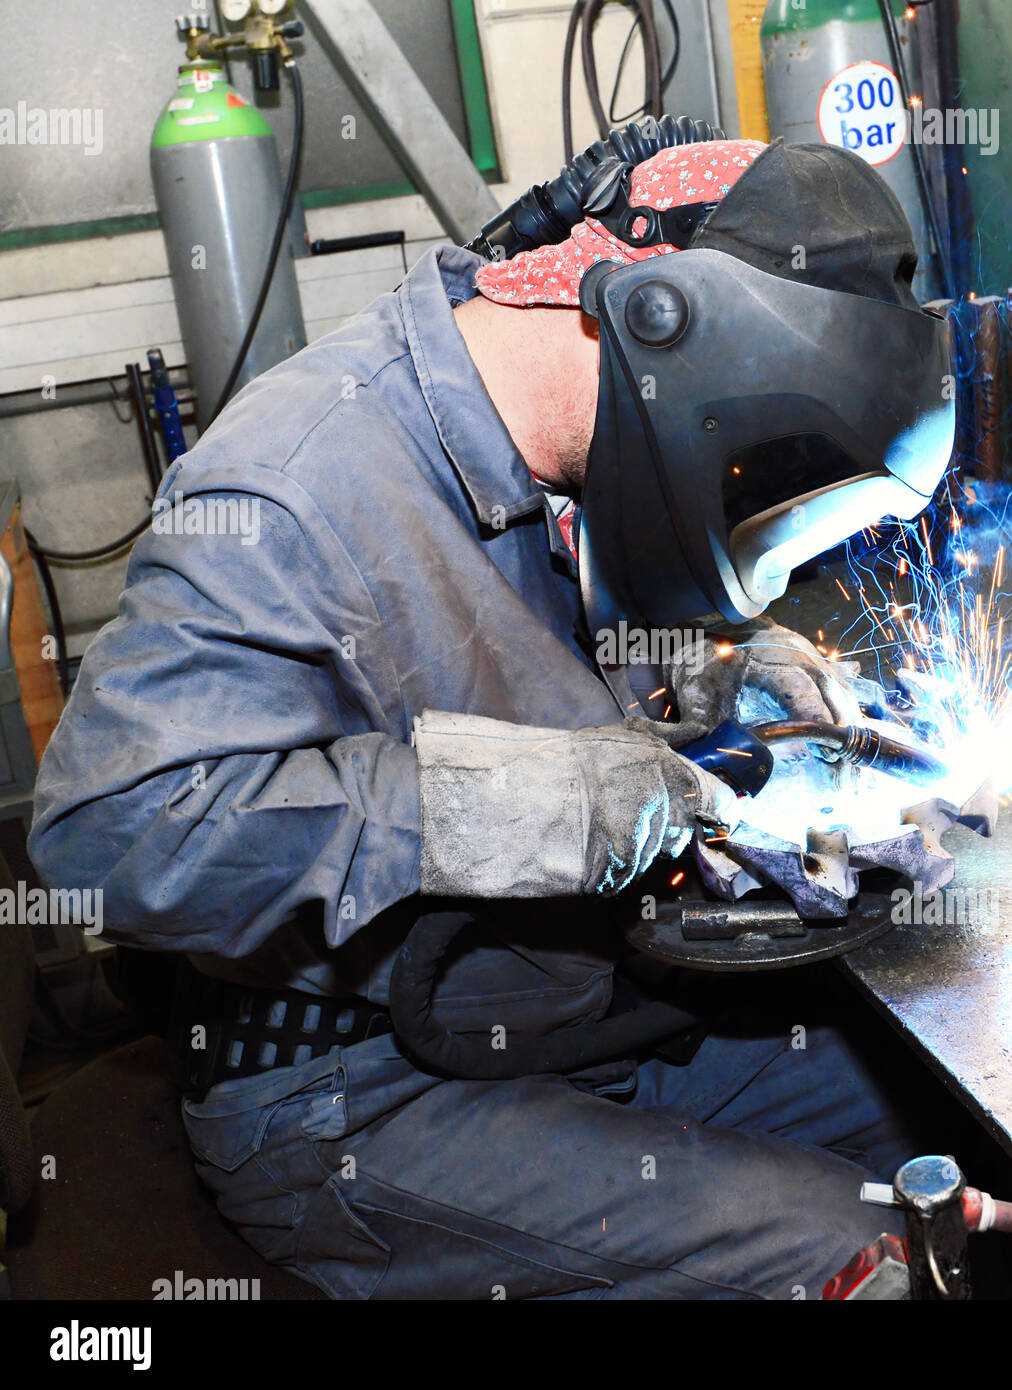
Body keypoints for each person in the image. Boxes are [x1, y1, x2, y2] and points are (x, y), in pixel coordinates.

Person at [29, 134, 955, 1298]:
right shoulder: (293, 485)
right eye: (753, 491)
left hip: (580, 1013)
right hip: (356, 1097)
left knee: (950, 1104)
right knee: (855, 1255)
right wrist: (508, 805)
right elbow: (109, 831)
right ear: (658, 334)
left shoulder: (584, 440)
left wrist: (716, 652)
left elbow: (538, 635)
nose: (754, 546)